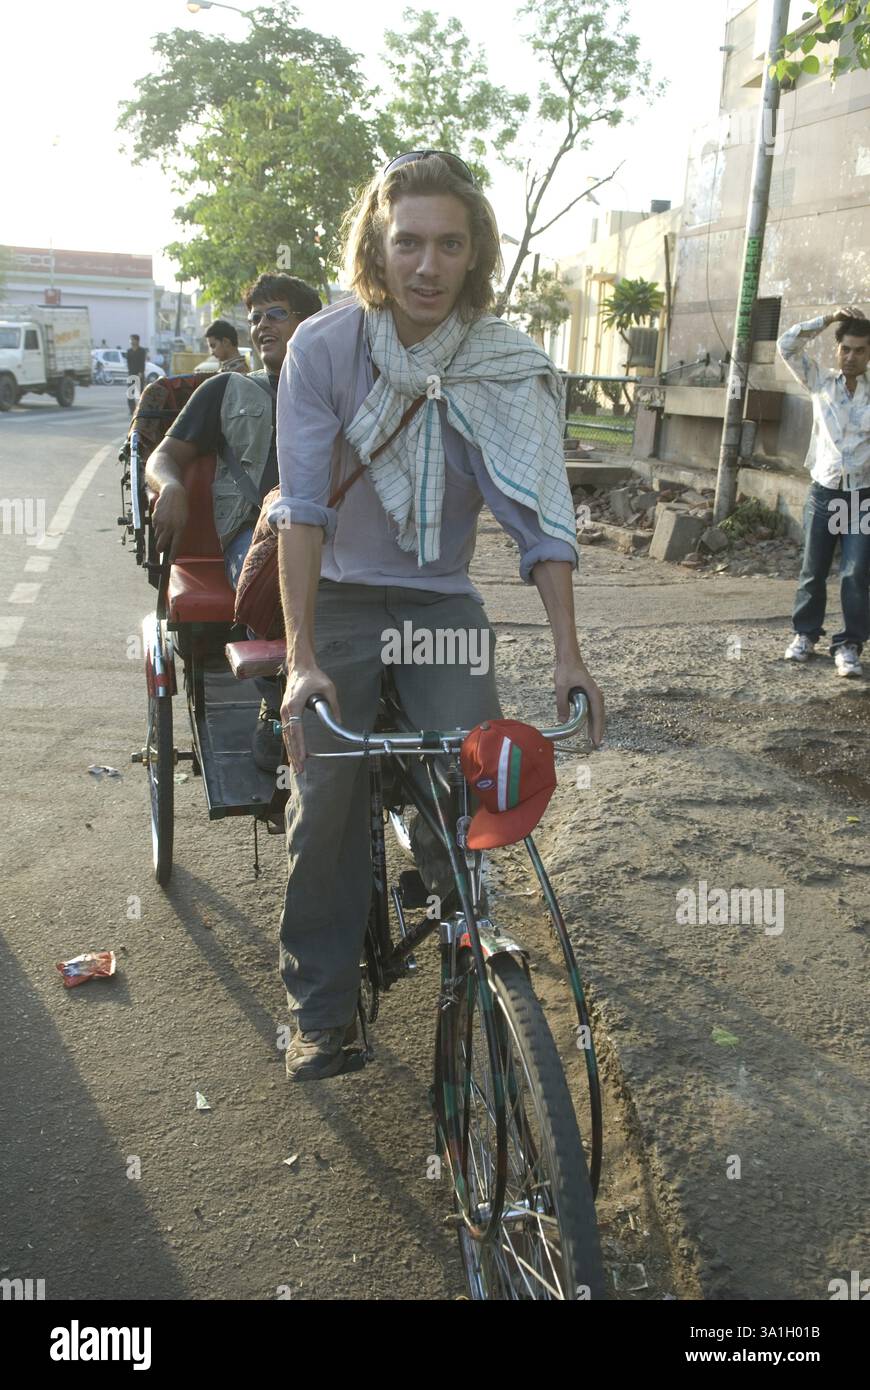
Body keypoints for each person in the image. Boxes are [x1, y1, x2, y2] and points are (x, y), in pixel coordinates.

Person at [270, 151, 606, 1081]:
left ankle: (466, 922)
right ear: (377, 246)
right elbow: (301, 509)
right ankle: (320, 1008)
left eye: (448, 245)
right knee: (329, 794)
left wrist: (570, 657)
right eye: (407, 242)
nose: (426, 265)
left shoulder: (503, 363)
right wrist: (302, 661)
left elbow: (540, 520)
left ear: (474, 254)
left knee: (472, 771)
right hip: (336, 592)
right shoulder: (324, 348)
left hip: (439, 600)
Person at [145, 273, 323, 767]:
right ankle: (277, 702)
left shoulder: (341, 388)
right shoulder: (225, 389)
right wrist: (174, 486)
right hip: (258, 533)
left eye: (276, 314)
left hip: (333, 527)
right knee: (278, 571)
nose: (262, 325)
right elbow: (162, 457)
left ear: (310, 323)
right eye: (255, 318)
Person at [780, 306, 870, 677]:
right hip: (824, 491)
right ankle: (805, 635)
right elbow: (787, 345)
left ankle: (849, 645)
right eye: (845, 349)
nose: (851, 357)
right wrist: (828, 319)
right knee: (813, 569)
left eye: (860, 350)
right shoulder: (820, 380)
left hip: (861, 497)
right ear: (837, 349)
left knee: (855, 572)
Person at [125, 334, 147, 417]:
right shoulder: (129, 351)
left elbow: (142, 362)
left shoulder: (142, 351)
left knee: (140, 393)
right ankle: (132, 410)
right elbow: (128, 363)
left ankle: (141, 409)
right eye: (130, 339)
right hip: (131, 373)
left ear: (137, 341)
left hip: (139, 374)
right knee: (130, 393)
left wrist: (141, 372)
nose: (131, 341)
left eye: (133, 339)